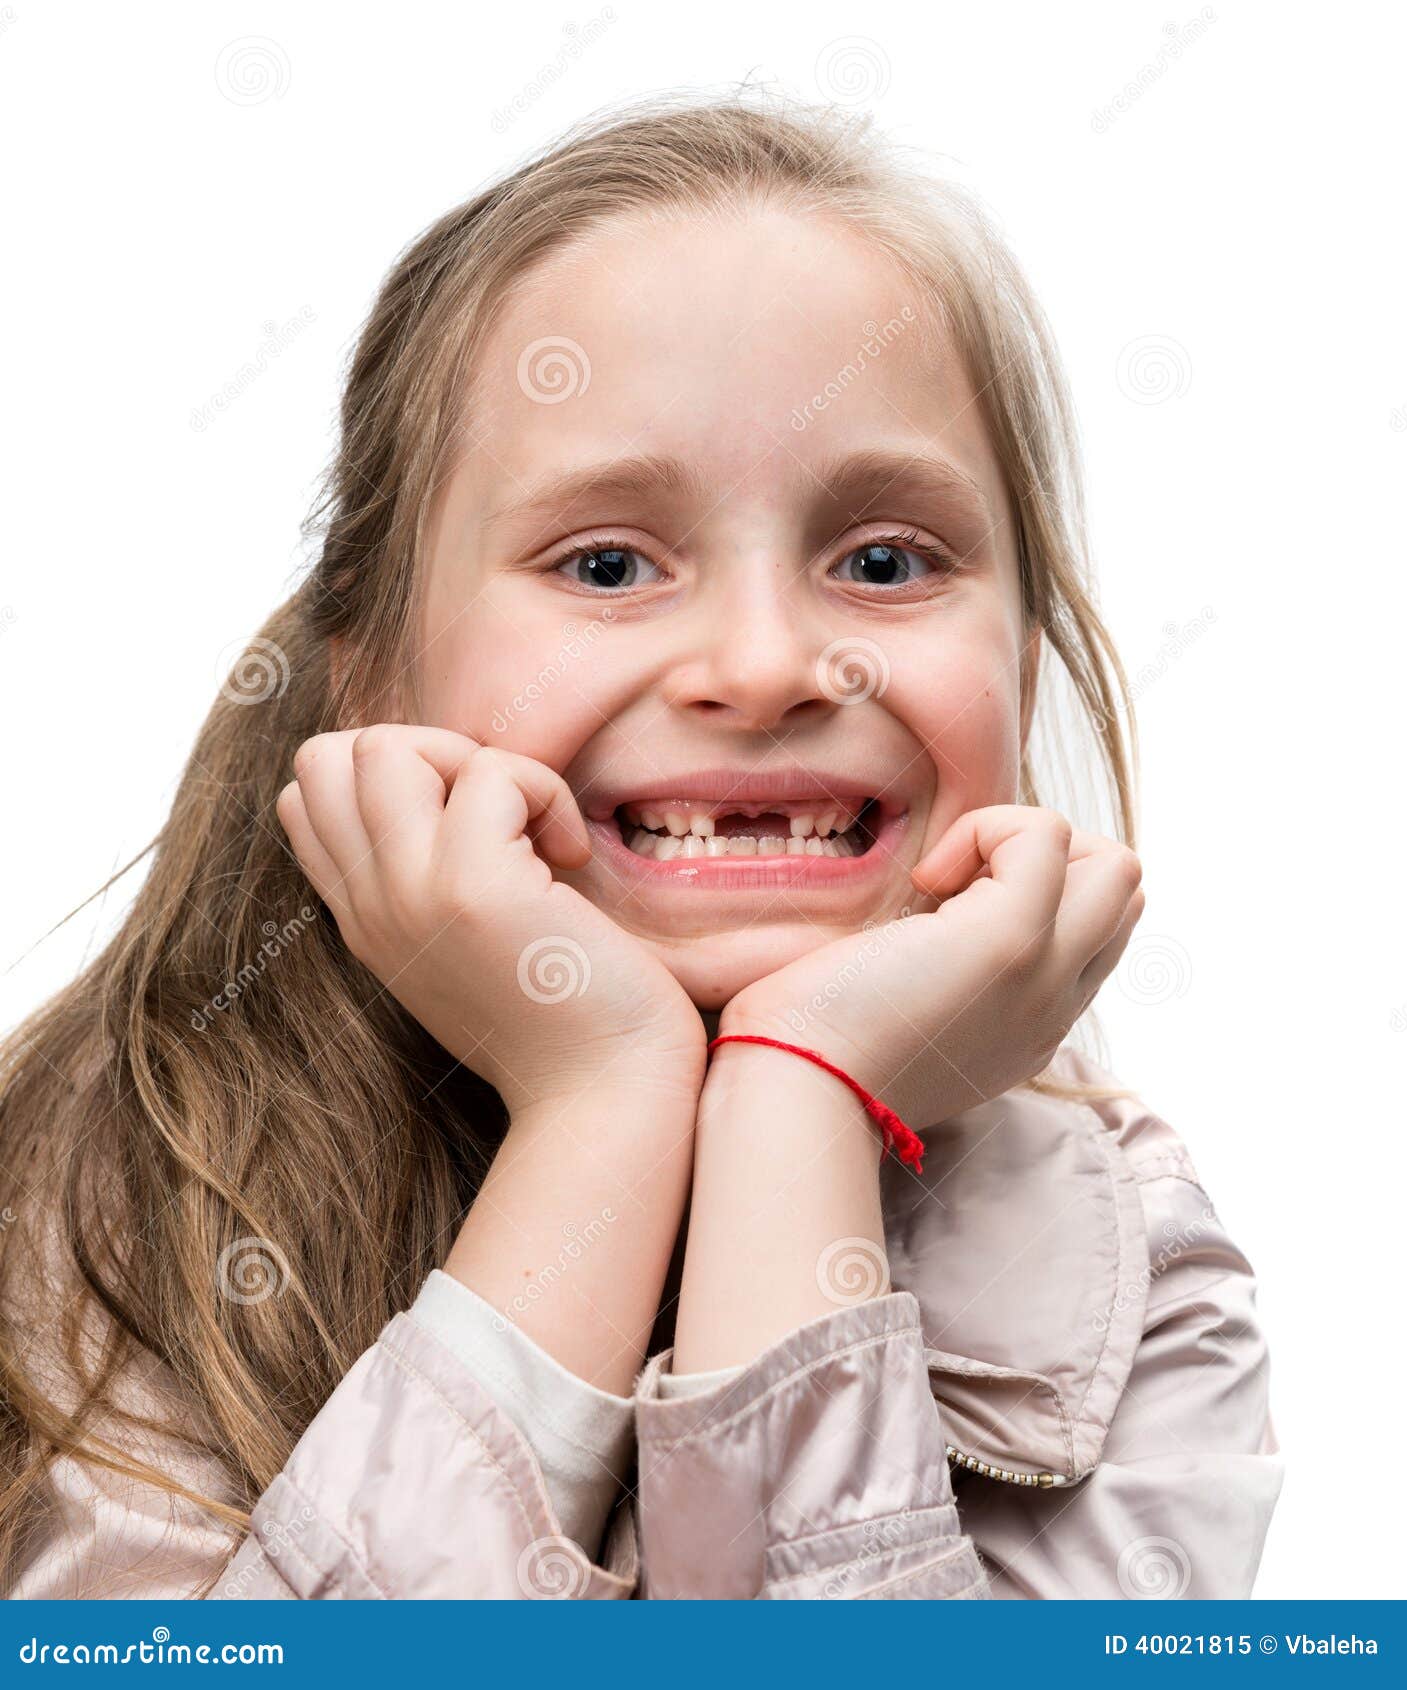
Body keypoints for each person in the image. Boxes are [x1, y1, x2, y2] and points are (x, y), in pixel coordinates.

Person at [0, 89, 1281, 1600]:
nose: (763, 663)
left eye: (884, 560)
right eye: (607, 562)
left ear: (1025, 649)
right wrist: (599, 1105)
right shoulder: (111, 1197)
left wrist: (799, 1099)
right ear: (370, 680)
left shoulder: (1130, 1264)